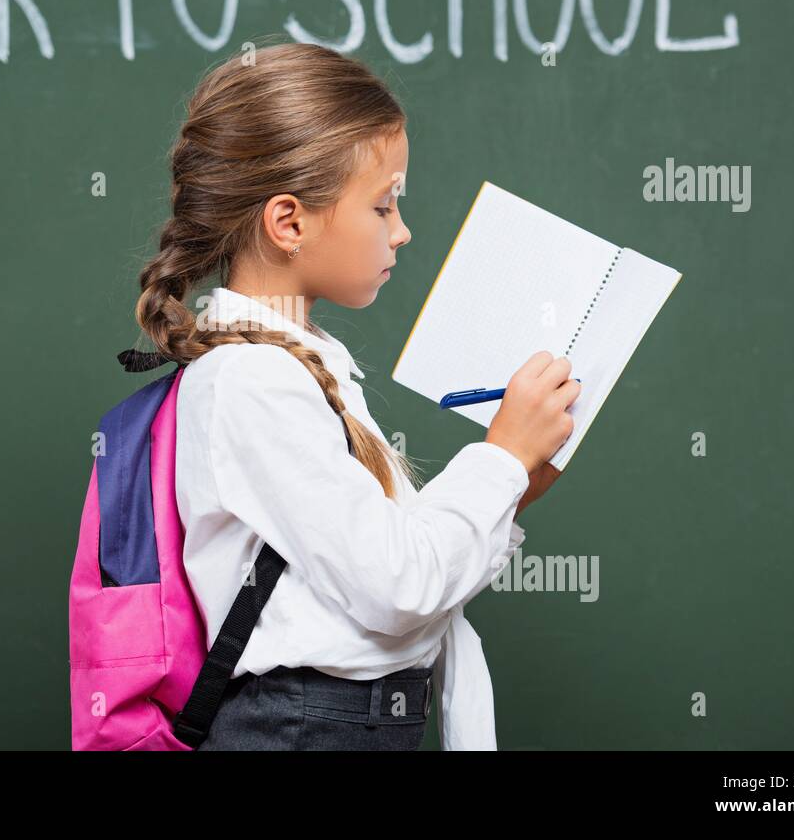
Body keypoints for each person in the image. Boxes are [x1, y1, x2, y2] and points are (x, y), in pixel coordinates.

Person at [126, 41, 577, 749]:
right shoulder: (251, 382)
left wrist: (509, 485)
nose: (401, 231)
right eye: (383, 205)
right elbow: (398, 587)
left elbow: (383, 573)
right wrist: (499, 457)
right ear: (288, 222)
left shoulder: (298, 366)